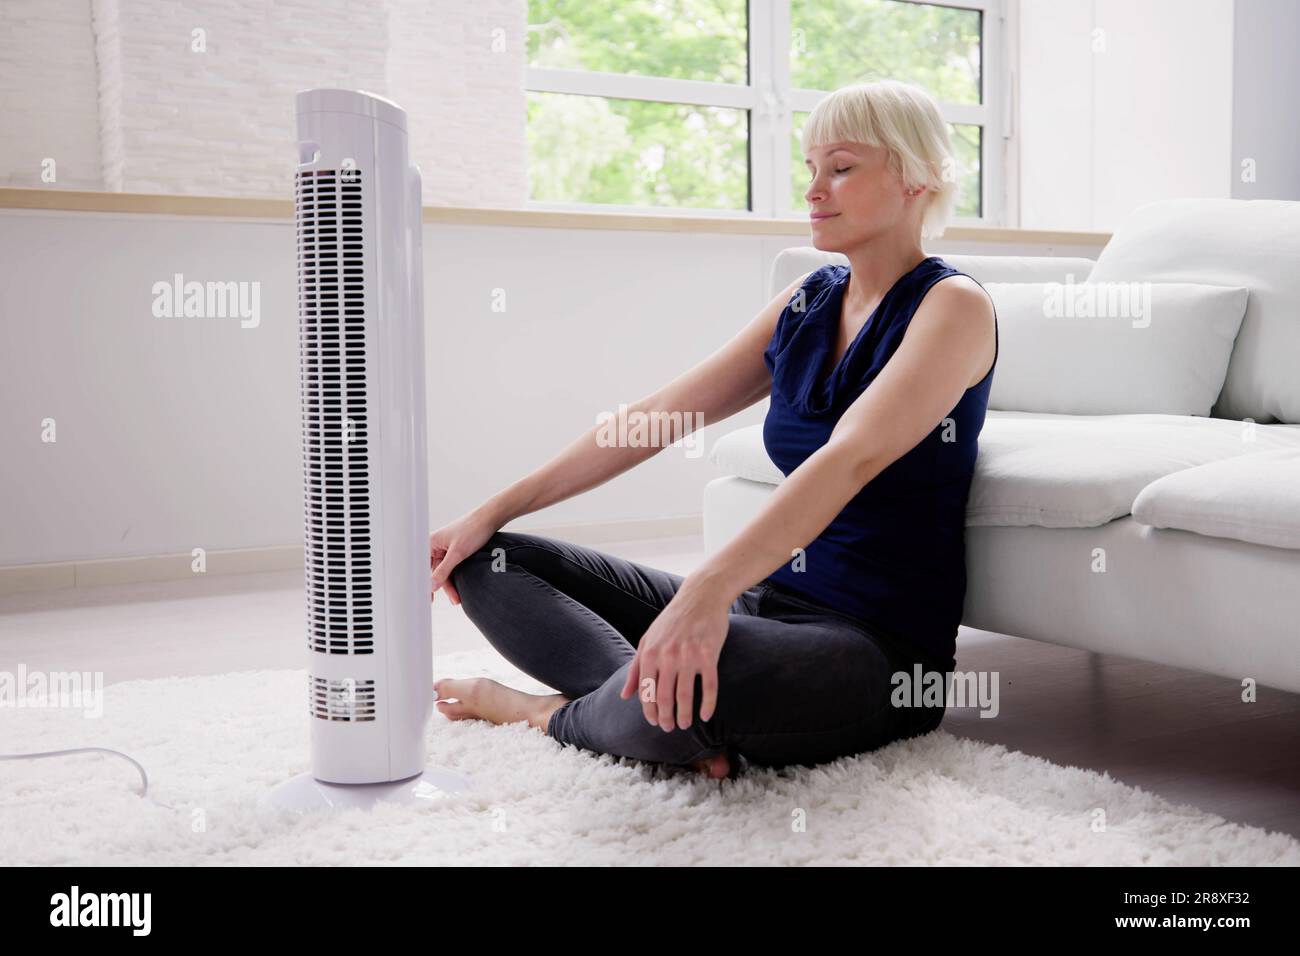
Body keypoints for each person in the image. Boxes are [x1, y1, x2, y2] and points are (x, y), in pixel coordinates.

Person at [428, 79, 998, 781]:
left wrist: (706, 592)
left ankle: (535, 711)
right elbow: (657, 417)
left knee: (700, 679)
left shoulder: (953, 306)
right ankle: (640, 708)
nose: (815, 189)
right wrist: (489, 513)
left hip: (875, 649)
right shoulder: (807, 301)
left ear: (916, 180)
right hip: (767, 604)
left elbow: (846, 460)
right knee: (494, 561)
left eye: (842, 168)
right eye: (810, 169)